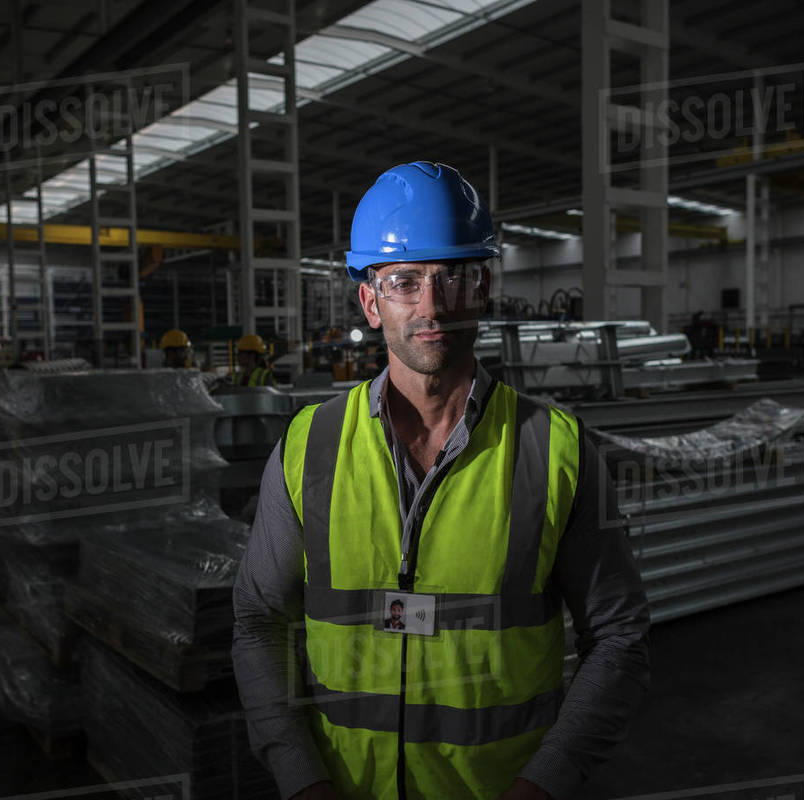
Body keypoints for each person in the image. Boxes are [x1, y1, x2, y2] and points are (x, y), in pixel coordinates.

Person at [231, 162, 650, 800]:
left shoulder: (556, 449)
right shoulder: (308, 448)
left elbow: (618, 636)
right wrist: (300, 778)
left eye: (454, 276)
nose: (432, 306)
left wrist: (544, 783)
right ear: (370, 301)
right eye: (405, 281)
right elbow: (259, 619)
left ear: (482, 288)